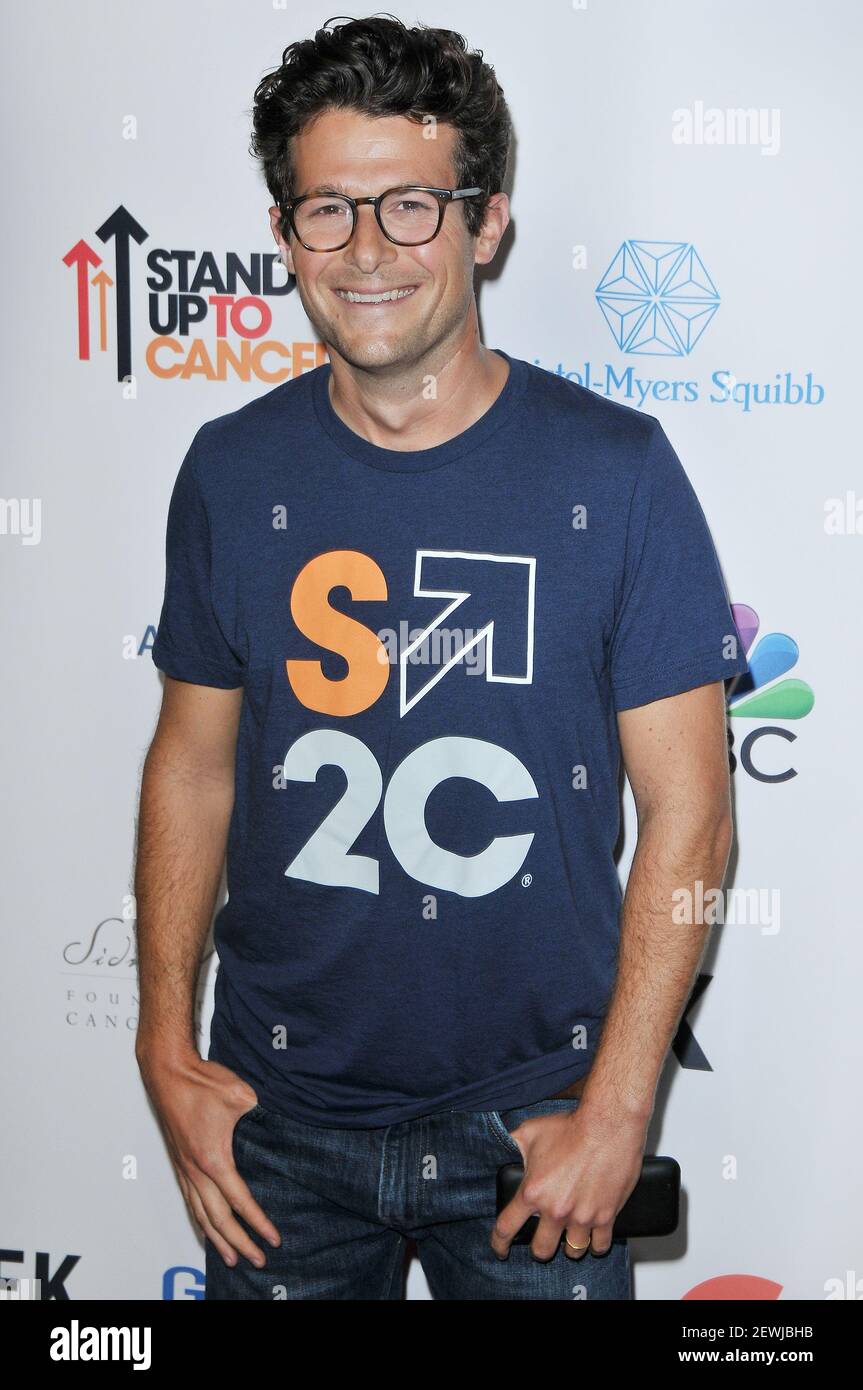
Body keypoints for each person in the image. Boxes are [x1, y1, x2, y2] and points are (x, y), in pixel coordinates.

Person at [135, 15, 748, 1301]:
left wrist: (618, 1107)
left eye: (410, 207)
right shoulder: (232, 472)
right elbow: (192, 769)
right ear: (283, 230)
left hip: (537, 1131)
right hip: (276, 1125)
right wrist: (160, 1043)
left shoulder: (616, 472)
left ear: (487, 222)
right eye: (326, 210)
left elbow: (688, 814)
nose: (365, 253)